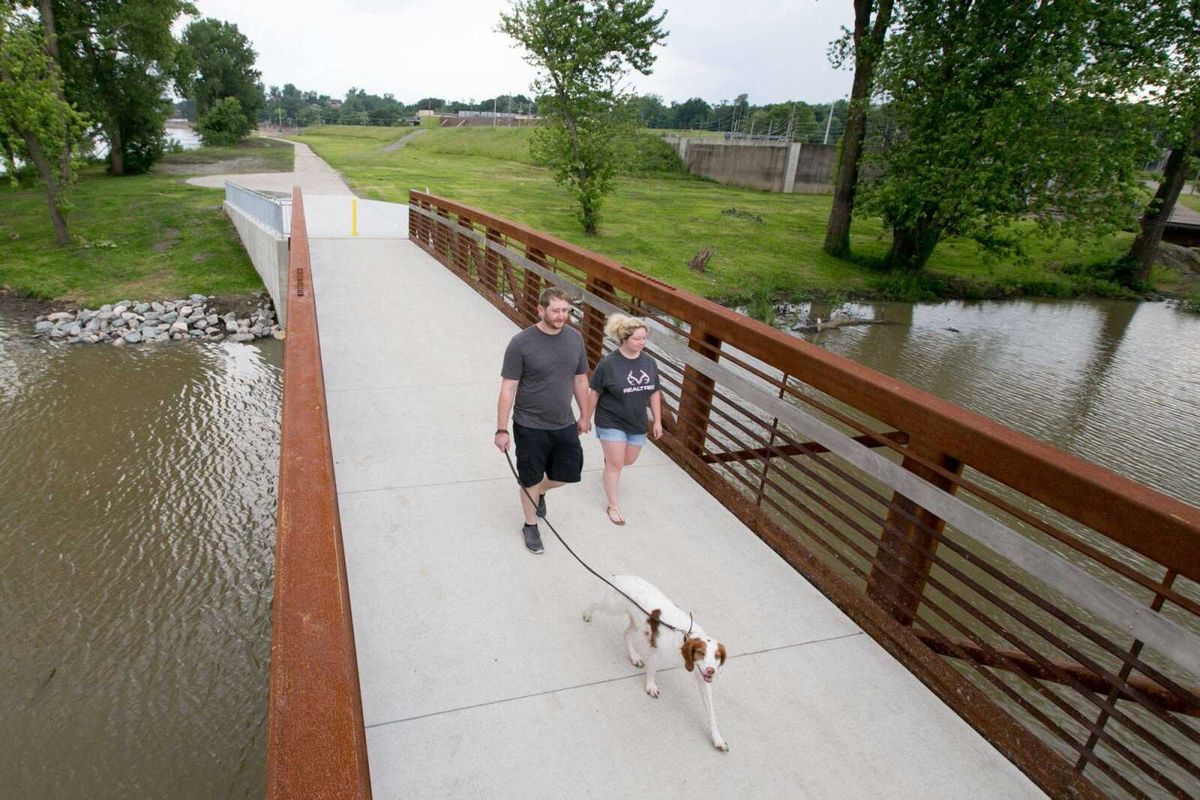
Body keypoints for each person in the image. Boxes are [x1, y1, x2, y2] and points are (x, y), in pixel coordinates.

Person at [494, 287, 590, 554]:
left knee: (568, 474)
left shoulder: (575, 339)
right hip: (529, 424)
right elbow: (508, 388)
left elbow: (581, 379)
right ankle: (530, 525)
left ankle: (540, 491)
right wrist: (501, 429)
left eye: (566, 311)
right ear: (541, 309)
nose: (562, 316)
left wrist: (584, 415)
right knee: (529, 477)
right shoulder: (521, 343)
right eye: (556, 310)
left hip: (564, 422)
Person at [585, 313, 662, 526]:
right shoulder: (608, 364)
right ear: (624, 338)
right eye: (637, 338)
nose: (642, 343)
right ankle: (613, 505)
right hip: (611, 419)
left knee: (628, 461)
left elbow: (654, 391)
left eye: (644, 338)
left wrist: (657, 420)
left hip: (637, 422)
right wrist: (585, 418)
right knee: (617, 464)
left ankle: (610, 460)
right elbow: (594, 392)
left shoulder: (649, 362)